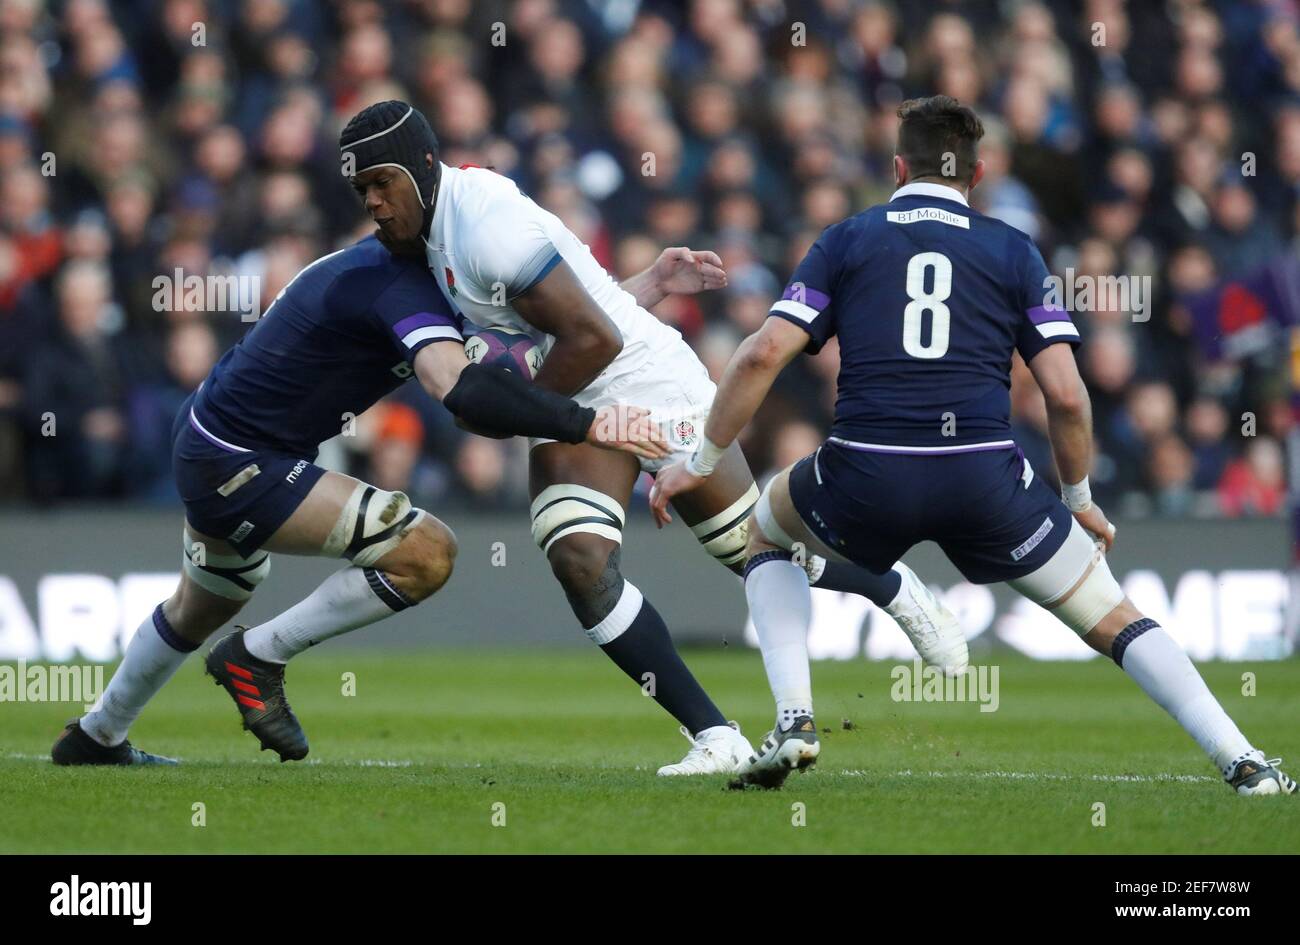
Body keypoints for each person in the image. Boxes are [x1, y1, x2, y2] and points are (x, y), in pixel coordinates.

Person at [651, 95, 1296, 796]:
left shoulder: (845, 238)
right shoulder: (1012, 250)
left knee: (767, 536)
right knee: (1114, 617)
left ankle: (796, 720)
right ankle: (1245, 764)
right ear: (978, 172)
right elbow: (1069, 395)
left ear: (898, 167)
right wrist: (1078, 497)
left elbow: (759, 355)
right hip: (985, 479)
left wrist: (703, 461)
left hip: (865, 471)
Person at [340, 101, 967, 775]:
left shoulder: (482, 225)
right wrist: (647, 287)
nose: (374, 203)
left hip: (644, 380)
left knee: (750, 547)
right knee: (580, 562)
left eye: (383, 182)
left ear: (424, 166)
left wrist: (520, 409)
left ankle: (889, 585)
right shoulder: (426, 235)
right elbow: (586, 307)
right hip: (575, 386)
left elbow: (596, 335)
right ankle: (714, 734)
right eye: (362, 190)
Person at [52, 228, 665, 766]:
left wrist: (650, 282)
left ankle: (97, 734)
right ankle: (257, 655)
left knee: (202, 604)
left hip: (215, 436)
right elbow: (460, 392)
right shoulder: (397, 283)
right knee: (425, 552)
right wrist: (584, 422)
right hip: (239, 460)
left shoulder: (418, 274)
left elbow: (558, 333)